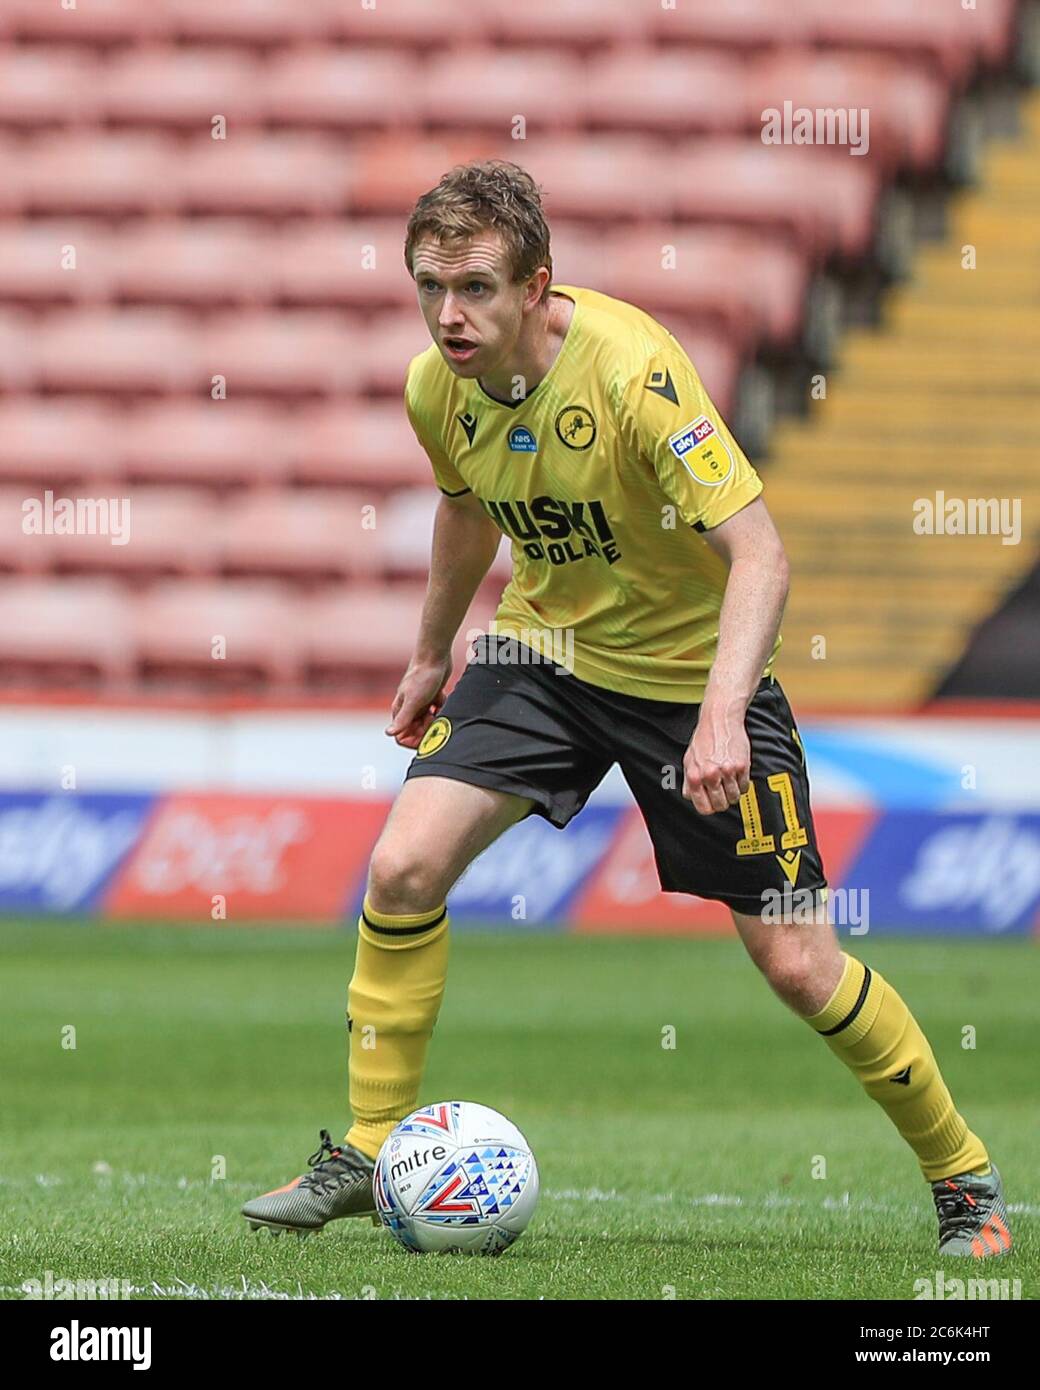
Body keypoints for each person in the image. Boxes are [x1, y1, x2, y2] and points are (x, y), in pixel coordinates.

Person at [242, 160, 1011, 1259]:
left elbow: (759, 555)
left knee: (796, 963)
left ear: (536, 285)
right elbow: (465, 514)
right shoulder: (434, 386)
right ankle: (367, 1148)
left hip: (691, 678)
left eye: (472, 289)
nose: (447, 316)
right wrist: (429, 651)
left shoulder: (633, 374)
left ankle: (963, 1181)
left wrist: (717, 714)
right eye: (428, 288)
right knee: (402, 868)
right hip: (543, 651)